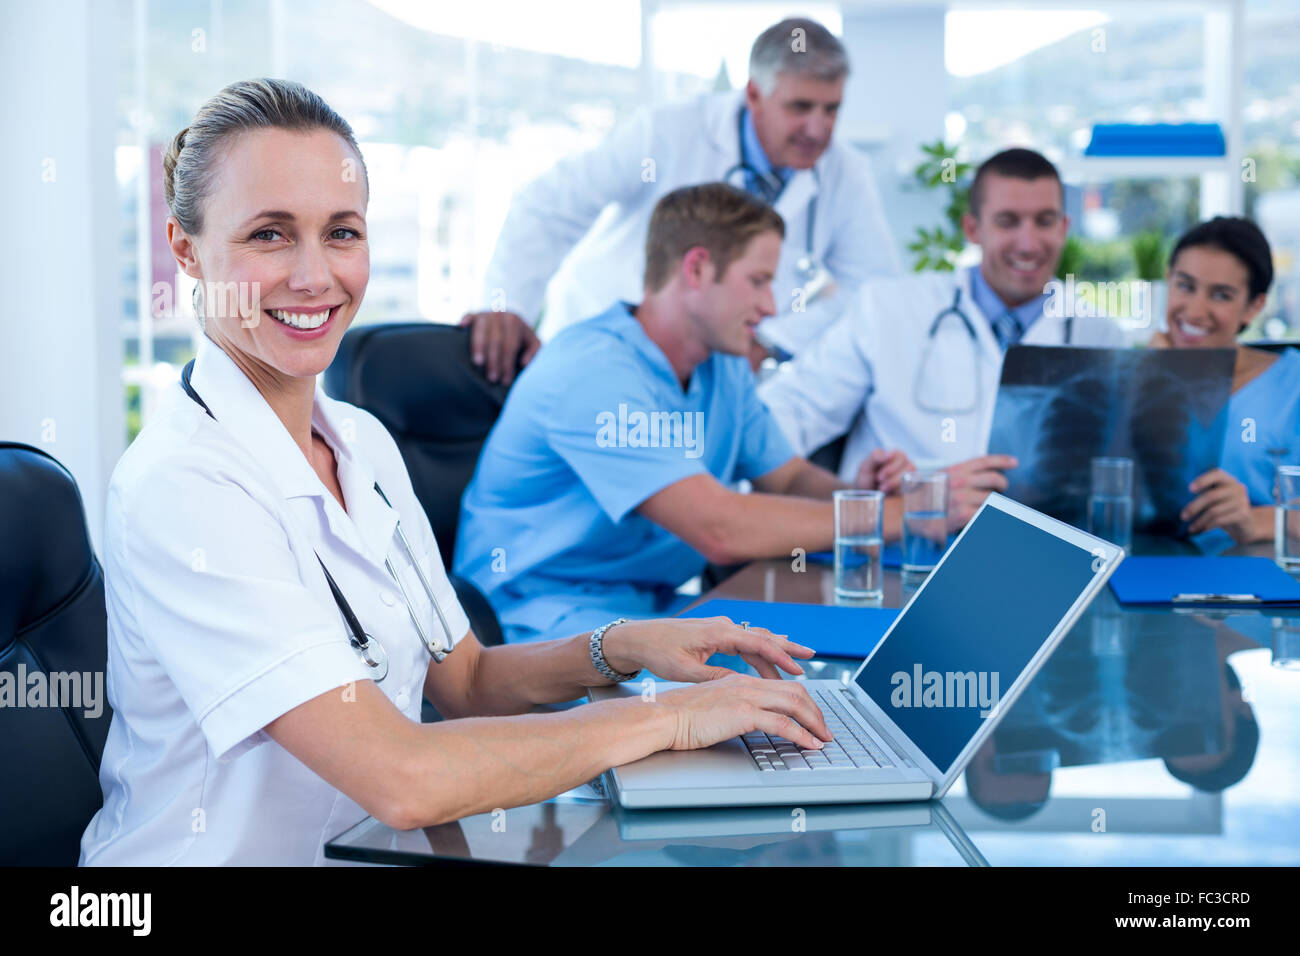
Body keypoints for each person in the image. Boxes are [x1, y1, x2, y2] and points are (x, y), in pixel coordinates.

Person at [79, 80, 834, 866]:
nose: (313, 276)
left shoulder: (361, 443)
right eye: (270, 235)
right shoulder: (184, 484)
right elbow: (402, 776)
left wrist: (624, 647)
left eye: (341, 233)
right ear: (186, 249)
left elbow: (465, 680)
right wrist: (669, 719)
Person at [454, 183, 939, 646]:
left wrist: (865, 495)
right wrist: (909, 515)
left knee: (808, 675)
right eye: (759, 281)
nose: (770, 307)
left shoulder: (722, 367)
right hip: (537, 622)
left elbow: (787, 479)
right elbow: (720, 530)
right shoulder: (593, 372)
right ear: (698, 269)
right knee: (756, 705)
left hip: (652, 610)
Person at [460, 16, 899, 371]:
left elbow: (873, 286)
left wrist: (772, 342)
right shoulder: (667, 134)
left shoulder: (844, 172)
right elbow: (550, 205)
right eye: (801, 107)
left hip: (712, 365)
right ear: (754, 95)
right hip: (602, 348)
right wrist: (508, 305)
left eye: (832, 109)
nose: (818, 129)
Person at [757, 147, 1125, 484]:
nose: (1028, 243)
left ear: (1063, 228)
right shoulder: (888, 309)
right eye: (1008, 222)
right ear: (972, 229)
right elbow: (788, 413)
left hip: (1050, 542)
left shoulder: (1102, 337)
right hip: (904, 544)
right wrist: (853, 493)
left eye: (1044, 221)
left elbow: (1129, 462)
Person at [1146, 217, 1299, 552]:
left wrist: (1257, 519)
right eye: (1185, 286)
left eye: (1221, 295)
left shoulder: (1292, 388)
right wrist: (1150, 380)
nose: (1196, 310)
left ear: (1254, 306)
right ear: (1168, 282)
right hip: (1137, 579)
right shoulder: (1133, 375)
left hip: (1259, 590)